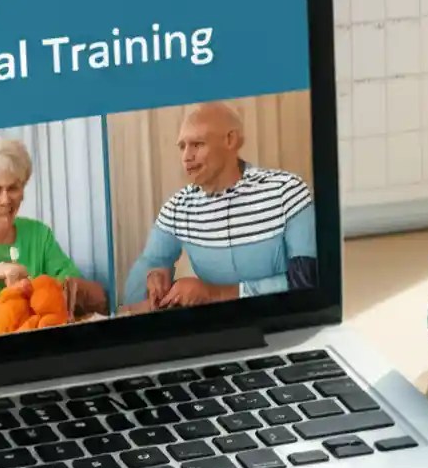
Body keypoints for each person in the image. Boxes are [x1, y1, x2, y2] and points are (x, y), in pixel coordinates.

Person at [122, 101, 318, 312]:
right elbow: (149, 262)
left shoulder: (288, 190)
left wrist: (214, 294)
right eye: (182, 147)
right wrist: (152, 276)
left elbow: (306, 281)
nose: (186, 157)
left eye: (197, 144)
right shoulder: (177, 207)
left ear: (230, 140)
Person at [0, 138, 109, 337]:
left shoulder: (39, 235)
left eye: (13, 188)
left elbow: (79, 288)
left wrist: (63, 290)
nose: (5, 199)